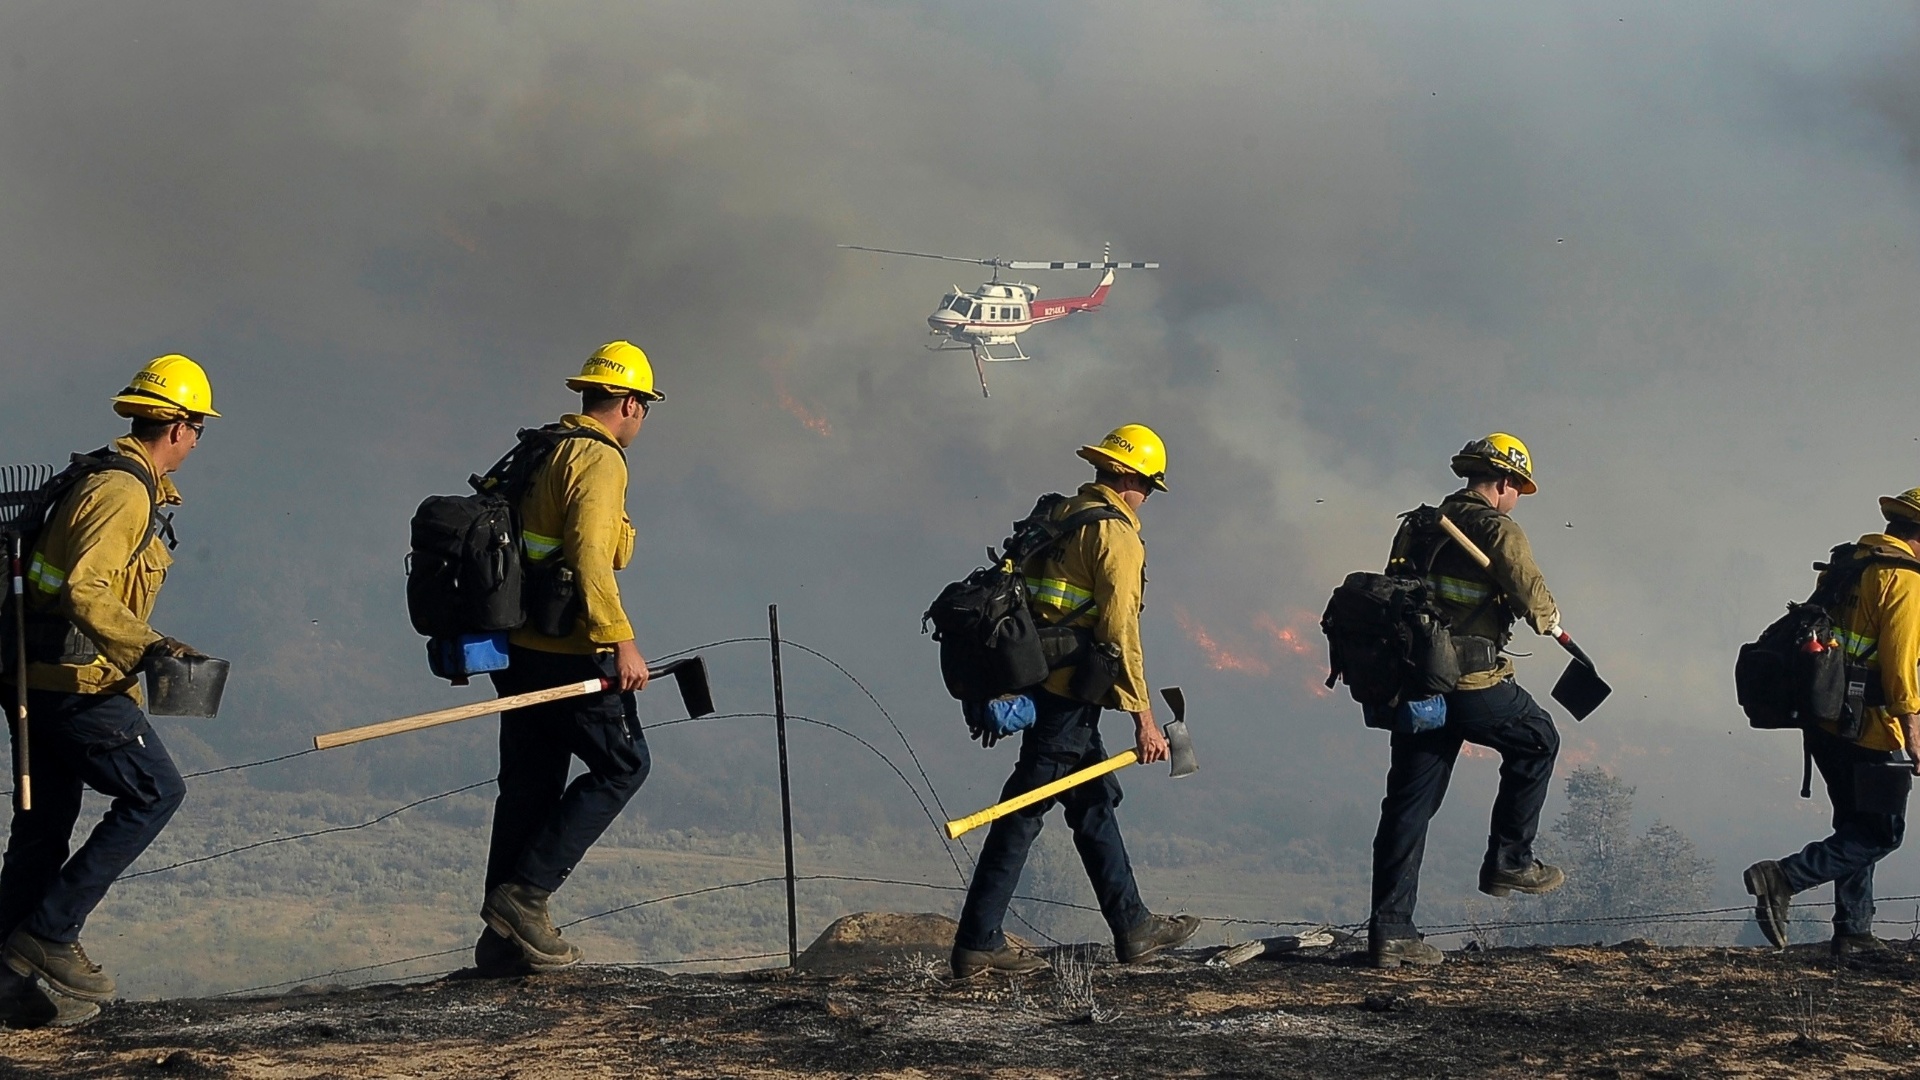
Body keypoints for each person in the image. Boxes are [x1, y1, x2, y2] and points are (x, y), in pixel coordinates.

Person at [0, 355, 216, 1024]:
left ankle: (4, 978)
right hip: (73, 683)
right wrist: (149, 650)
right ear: (176, 427)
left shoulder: (99, 475)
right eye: (198, 427)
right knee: (157, 790)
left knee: (42, 827)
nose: (198, 440)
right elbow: (86, 589)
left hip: (34, 674)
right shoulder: (124, 492)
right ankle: (51, 934)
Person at [951, 424, 1199, 978]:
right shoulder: (1116, 536)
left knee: (1092, 805)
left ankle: (1134, 928)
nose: (1146, 500)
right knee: (1022, 811)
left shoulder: (1061, 513)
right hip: (1067, 696)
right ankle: (977, 941)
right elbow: (1120, 634)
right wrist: (1146, 722)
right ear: (1132, 478)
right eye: (1149, 488)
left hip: (1042, 681)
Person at [475, 341, 660, 974]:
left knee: (528, 786)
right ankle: (524, 899)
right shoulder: (599, 460)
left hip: (518, 648)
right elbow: (587, 557)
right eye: (644, 408)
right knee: (624, 765)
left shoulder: (545, 448)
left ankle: (500, 941)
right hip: (570, 651)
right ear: (630, 404)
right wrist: (621, 639)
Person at [1368, 433, 1566, 969]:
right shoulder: (1496, 527)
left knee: (1408, 806)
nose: (1516, 497)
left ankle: (1390, 932)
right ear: (1503, 483)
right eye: (1517, 488)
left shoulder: (1419, 524)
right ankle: (1510, 859)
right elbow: (1529, 590)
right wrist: (1548, 617)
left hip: (1417, 685)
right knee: (1538, 739)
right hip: (1470, 682)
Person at [1745, 488, 1920, 956]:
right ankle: (1782, 877)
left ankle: (1854, 932)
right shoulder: (1902, 580)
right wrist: (1914, 735)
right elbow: (1900, 668)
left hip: (1823, 721)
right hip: (1870, 726)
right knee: (1882, 832)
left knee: (1853, 824)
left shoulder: (1851, 564)